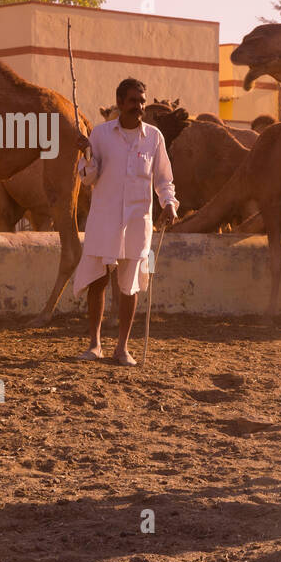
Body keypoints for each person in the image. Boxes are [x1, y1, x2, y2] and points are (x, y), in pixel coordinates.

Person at [72, 78, 178, 365]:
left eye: (142, 101)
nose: (139, 107)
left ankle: (122, 348)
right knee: (98, 280)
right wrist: (86, 153)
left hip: (137, 222)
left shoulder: (154, 137)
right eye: (133, 101)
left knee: (129, 285)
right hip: (104, 220)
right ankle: (94, 344)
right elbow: (88, 178)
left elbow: (164, 178)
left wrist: (168, 203)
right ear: (119, 103)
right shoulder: (101, 135)